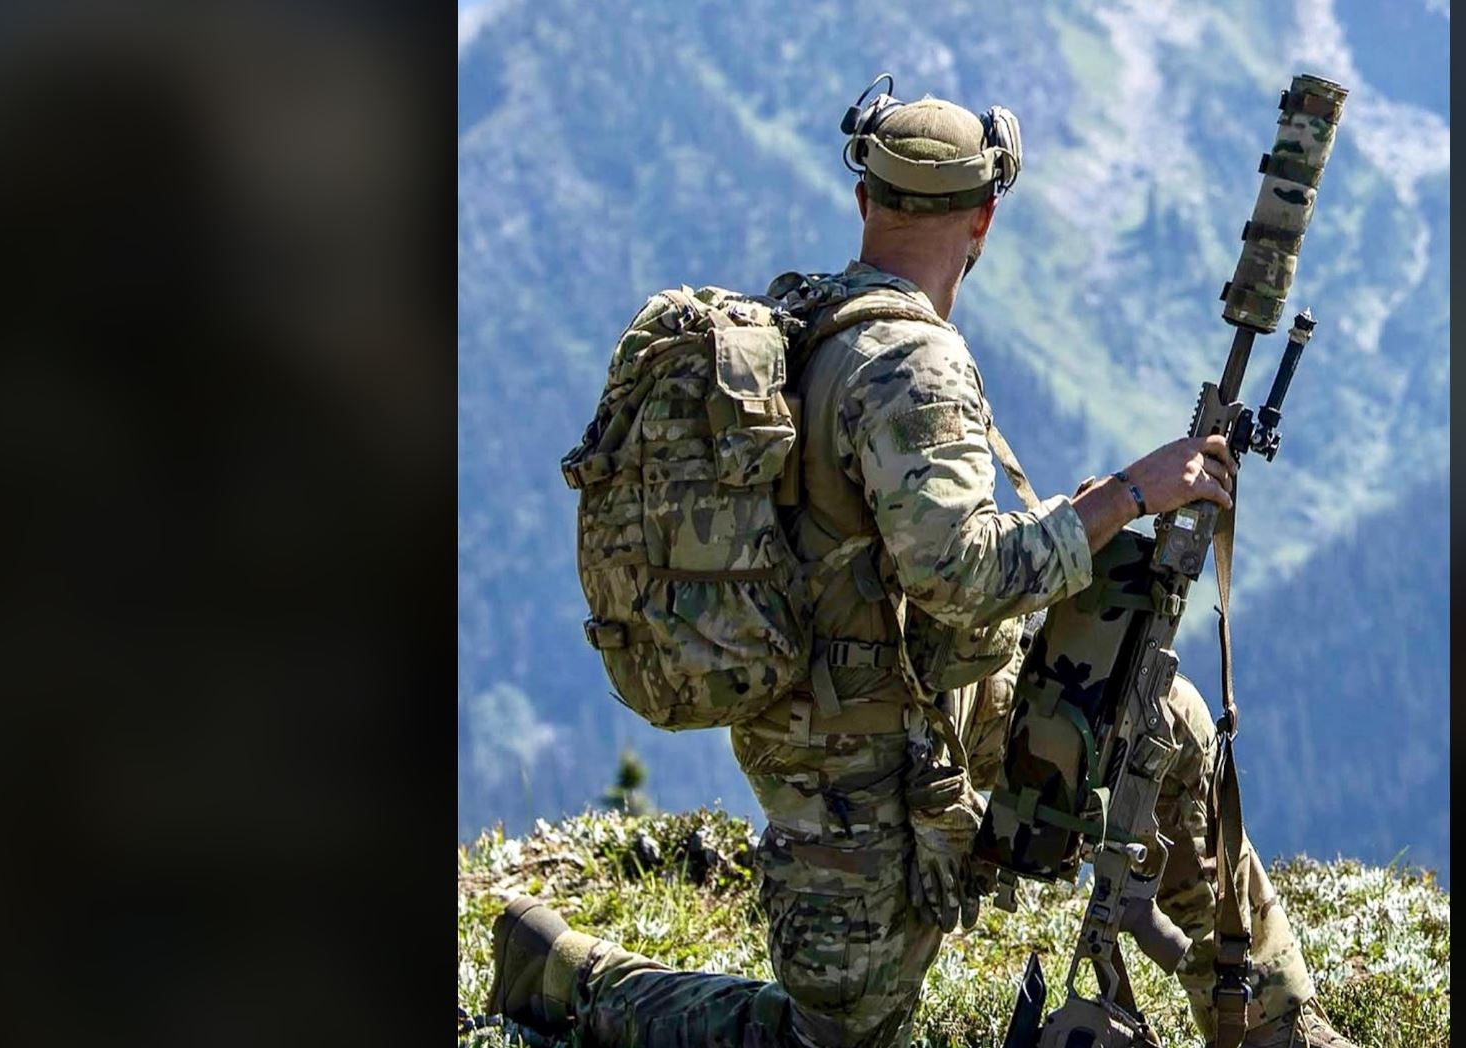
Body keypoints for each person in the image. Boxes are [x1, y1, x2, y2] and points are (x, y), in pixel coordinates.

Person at [489, 85, 1355, 1048]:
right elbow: (965, 575)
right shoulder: (910, 365)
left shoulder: (820, 316)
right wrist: (1130, 496)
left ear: (868, 202)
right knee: (837, 1038)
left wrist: (1090, 517)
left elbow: (912, 556)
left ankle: (1276, 1021)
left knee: (1158, 722)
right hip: (848, 749)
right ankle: (573, 976)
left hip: (923, 692)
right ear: (983, 218)